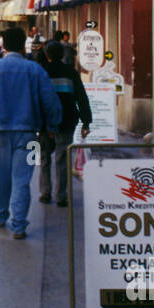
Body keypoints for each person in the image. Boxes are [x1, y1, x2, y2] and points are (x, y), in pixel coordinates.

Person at [0, 24, 62, 238]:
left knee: (2, 175)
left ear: (3, 46)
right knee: (23, 179)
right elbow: (50, 101)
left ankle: (0, 214)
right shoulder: (35, 70)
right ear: (23, 46)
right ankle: (19, 225)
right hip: (30, 134)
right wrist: (52, 126)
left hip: (0, 132)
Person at [38, 40, 92, 207]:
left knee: (44, 157)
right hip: (67, 121)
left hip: (44, 123)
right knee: (62, 158)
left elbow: (35, 99)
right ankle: (61, 195)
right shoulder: (71, 72)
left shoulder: (41, 72)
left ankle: (45, 192)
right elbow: (81, 97)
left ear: (47, 55)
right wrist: (86, 121)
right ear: (62, 55)